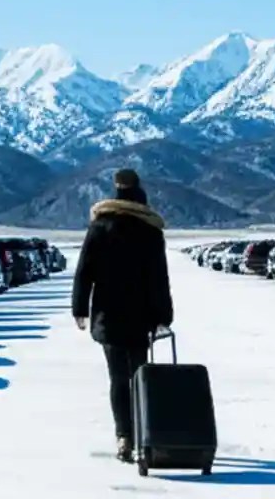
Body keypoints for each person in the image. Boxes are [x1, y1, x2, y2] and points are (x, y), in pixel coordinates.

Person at [71, 168, 174, 463]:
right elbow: (159, 278)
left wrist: (79, 308)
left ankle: (123, 437)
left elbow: (84, 271)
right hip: (140, 315)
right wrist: (163, 316)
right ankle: (144, 434)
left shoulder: (101, 225)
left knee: (117, 378)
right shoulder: (150, 230)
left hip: (108, 314)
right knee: (139, 375)